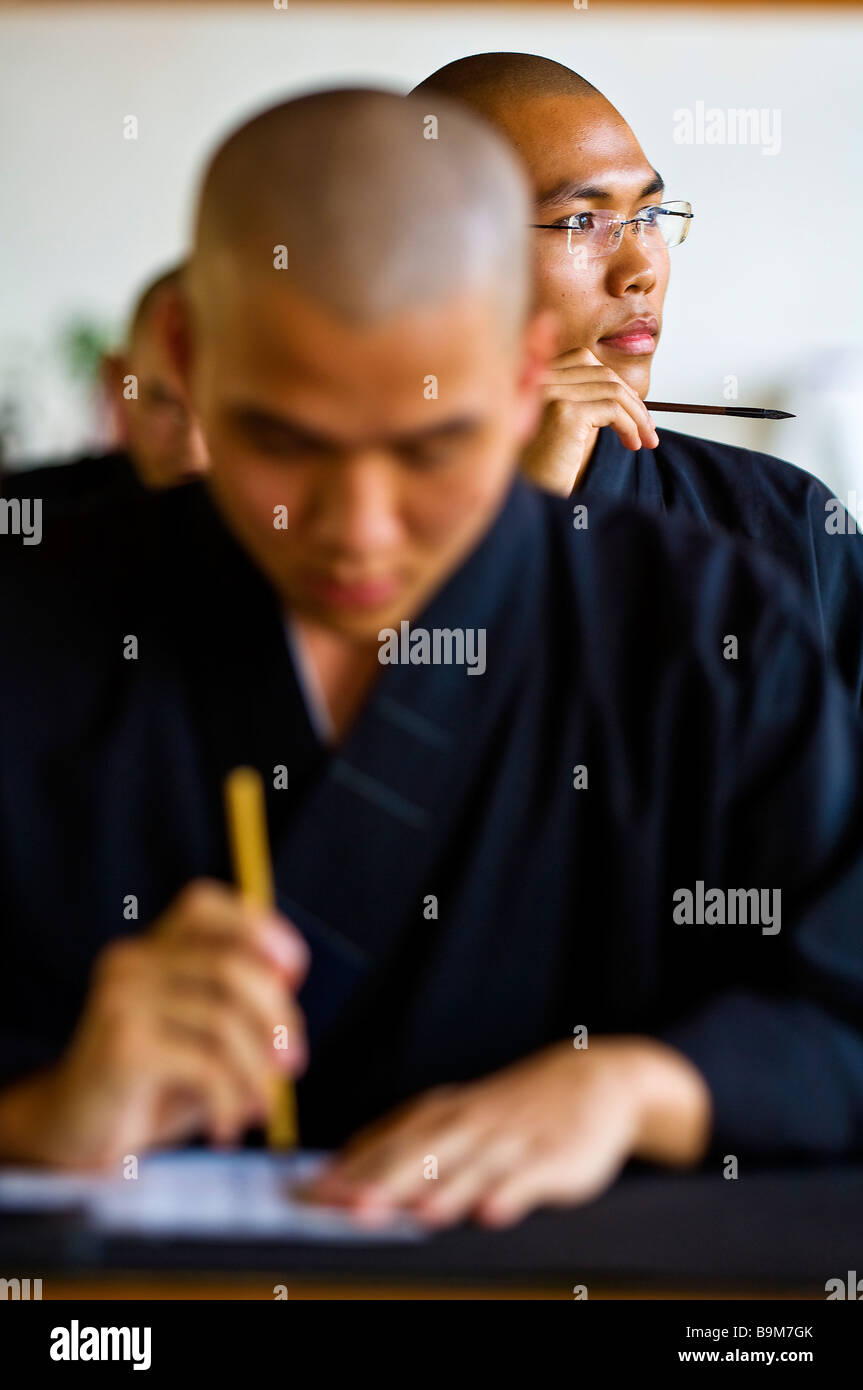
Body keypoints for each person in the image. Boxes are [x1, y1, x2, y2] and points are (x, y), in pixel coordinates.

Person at [1, 90, 863, 1230]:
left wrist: (635, 1088)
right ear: (183, 353)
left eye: (430, 446)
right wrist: (36, 1112)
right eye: (283, 440)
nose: (358, 526)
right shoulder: (33, 621)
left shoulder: (704, 628)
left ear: (521, 369)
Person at [412, 54, 863, 710]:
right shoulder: (344, 529)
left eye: (649, 216)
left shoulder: (783, 520)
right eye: (579, 223)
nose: (639, 269)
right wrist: (525, 514)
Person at [1, 265, 208, 514]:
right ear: (120, 379)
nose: (194, 447)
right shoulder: (24, 516)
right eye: (162, 401)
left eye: (218, 409)